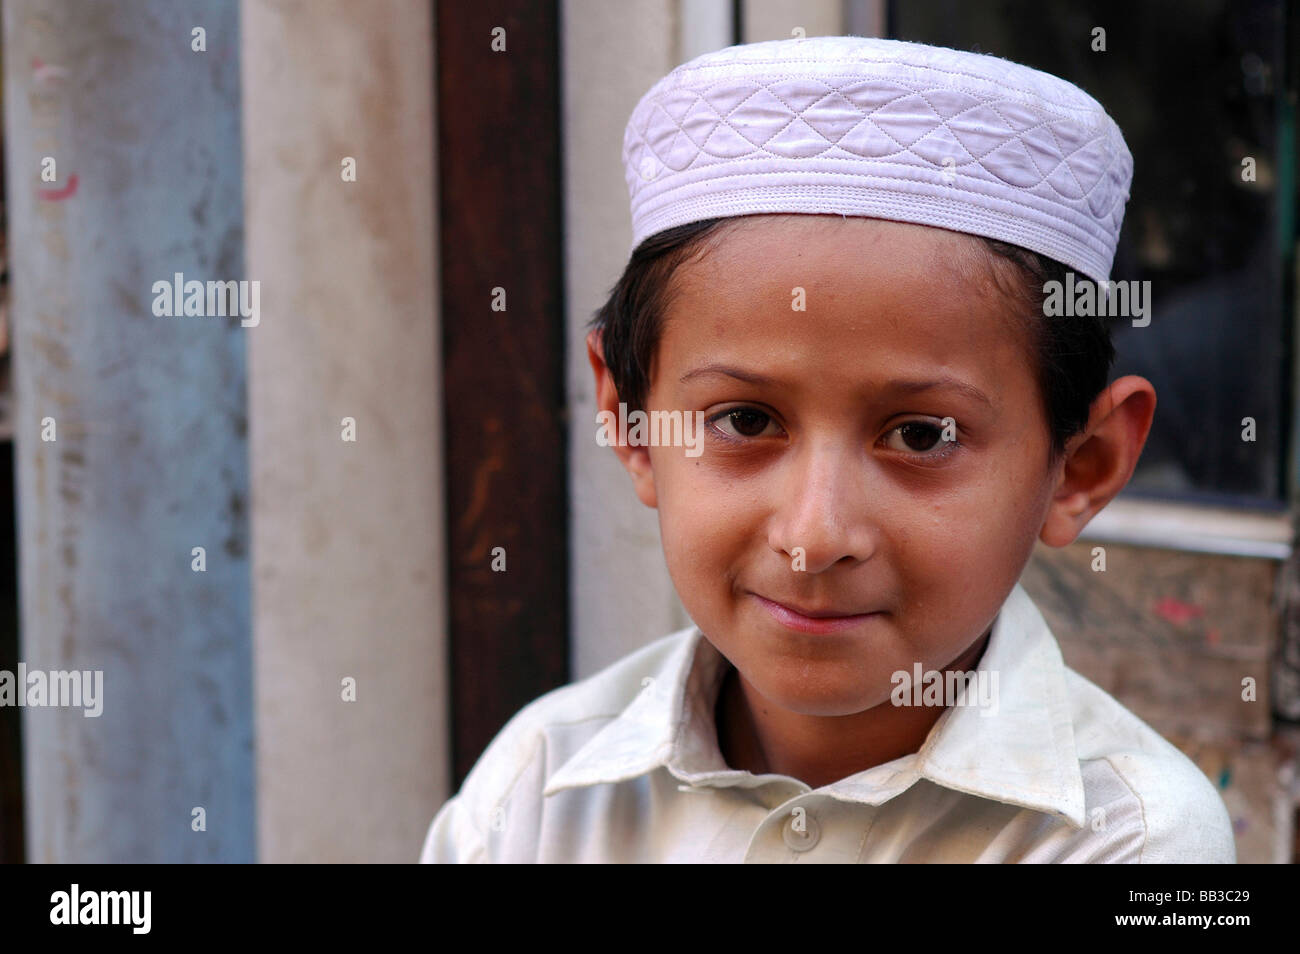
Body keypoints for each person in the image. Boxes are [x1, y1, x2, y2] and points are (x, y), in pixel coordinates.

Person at [421, 34, 1236, 863]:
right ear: (632, 420)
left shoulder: (1133, 836)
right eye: (744, 421)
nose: (814, 537)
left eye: (922, 436)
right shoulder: (538, 789)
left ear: (1083, 466)